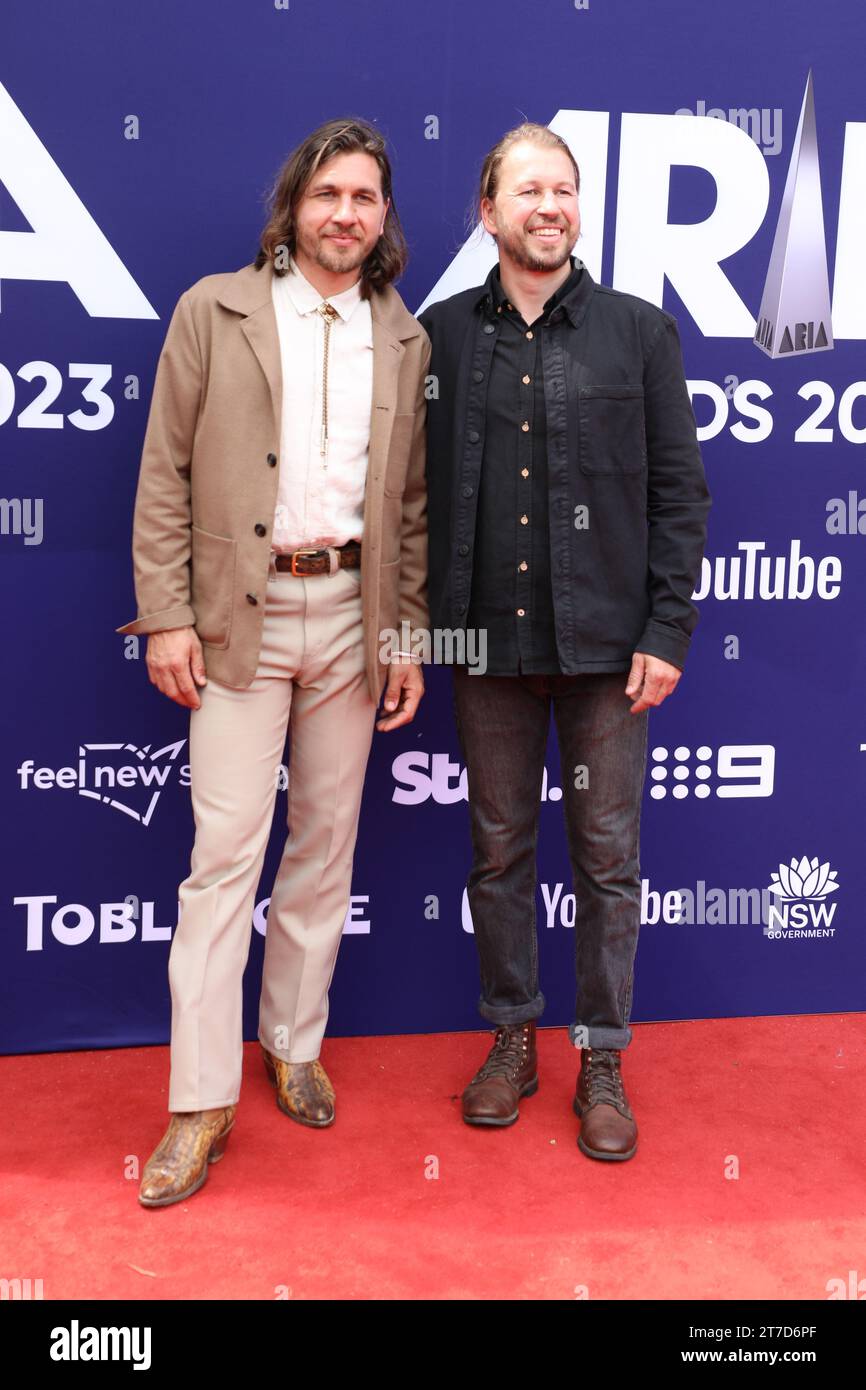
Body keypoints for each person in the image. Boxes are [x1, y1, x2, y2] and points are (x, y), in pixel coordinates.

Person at [116, 118, 430, 1206]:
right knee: (222, 861)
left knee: (326, 844)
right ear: (294, 205)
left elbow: (413, 510)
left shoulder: (403, 335)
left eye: (365, 198)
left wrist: (404, 635)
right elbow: (164, 474)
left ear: (383, 218)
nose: (345, 214)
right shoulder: (216, 309)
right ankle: (198, 1103)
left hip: (352, 614)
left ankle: (291, 1044)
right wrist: (166, 616)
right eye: (327, 195)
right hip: (237, 621)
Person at [419, 123, 711, 1161]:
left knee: (605, 860)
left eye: (564, 190)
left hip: (606, 654)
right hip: (484, 650)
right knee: (495, 851)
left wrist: (667, 628)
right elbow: (411, 504)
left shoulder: (637, 332)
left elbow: (679, 493)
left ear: (576, 210)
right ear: (487, 211)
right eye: (526, 190)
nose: (548, 206)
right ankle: (509, 1040)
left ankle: (597, 1057)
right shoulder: (440, 336)